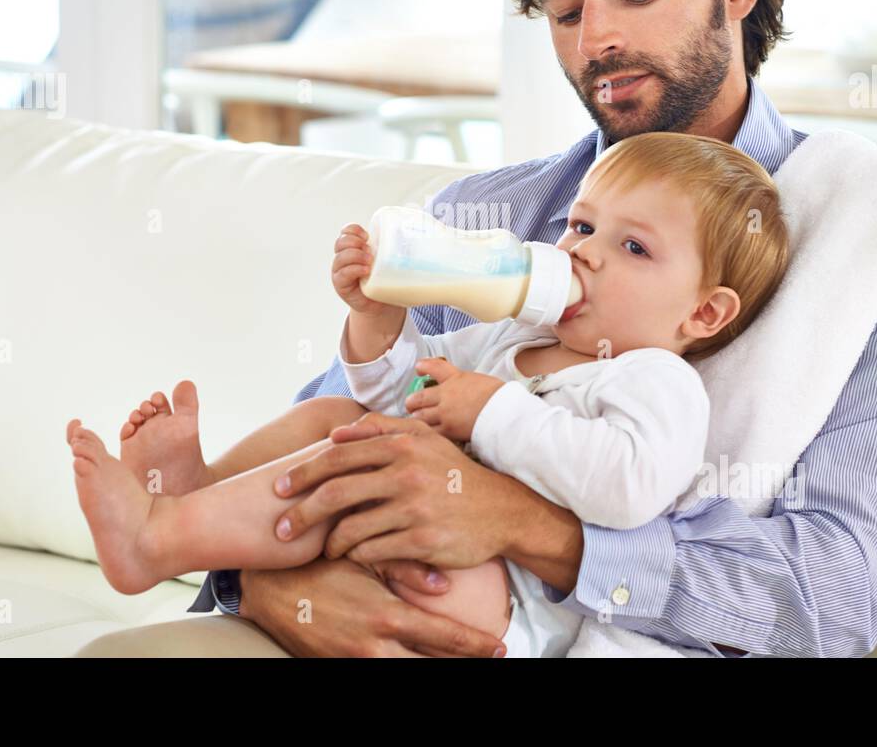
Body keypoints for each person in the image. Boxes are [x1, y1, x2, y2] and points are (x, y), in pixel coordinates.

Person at [184, 0, 877, 657]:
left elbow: (831, 598)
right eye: (565, 11)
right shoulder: (484, 221)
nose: (598, 40)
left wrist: (535, 529)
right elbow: (320, 439)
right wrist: (272, 585)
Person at [66, 132, 789, 658]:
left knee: (370, 466)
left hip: (499, 600)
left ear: (704, 313)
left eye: (634, 248)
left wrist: (491, 411)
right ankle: (195, 496)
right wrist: (377, 318)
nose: (584, 251)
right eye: (581, 224)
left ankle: (157, 538)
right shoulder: (506, 339)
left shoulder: (654, 379)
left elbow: (626, 485)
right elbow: (395, 396)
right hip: (390, 542)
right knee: (337, 417)